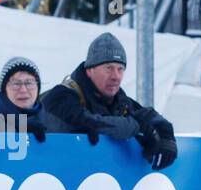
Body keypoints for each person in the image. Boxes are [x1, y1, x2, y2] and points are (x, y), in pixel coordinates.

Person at [43, 33, 179, 169]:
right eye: (108, 68)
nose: (116, 77)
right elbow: (87, 123)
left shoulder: (119, 101)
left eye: (120, 69)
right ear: (89, 70)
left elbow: (145, 115)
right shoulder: (60, 96)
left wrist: (165, 132)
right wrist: (136, 127)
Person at [0, 57, 55, 141]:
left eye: (29, 83)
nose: (23, 90)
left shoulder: (55, 125)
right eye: (16, 83)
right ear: (5, 90)